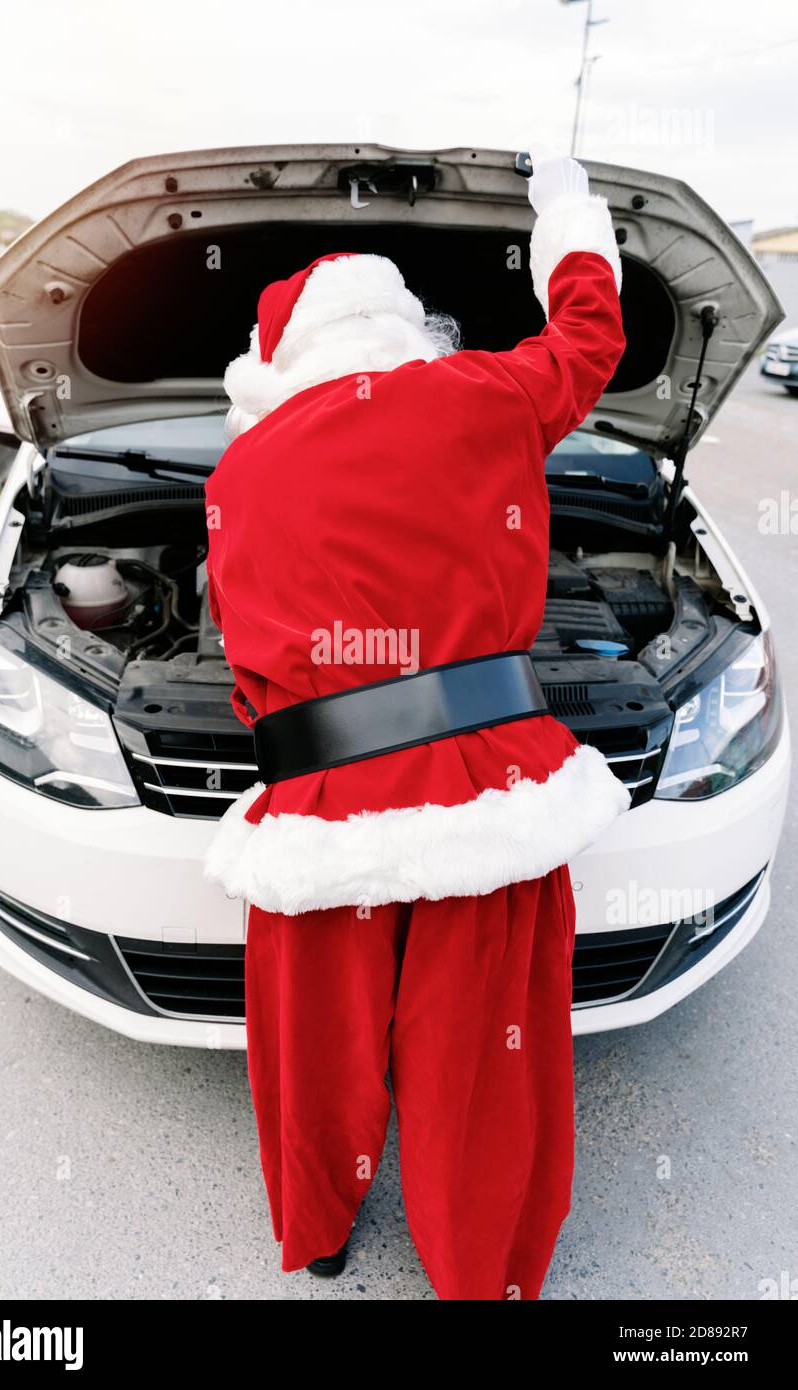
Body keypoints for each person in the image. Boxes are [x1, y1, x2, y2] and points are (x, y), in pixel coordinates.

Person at [203, 152, 631, 1300]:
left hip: (319, 812)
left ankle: (322, 1231)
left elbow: (244, 652)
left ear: (282, 360)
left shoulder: (238, 471)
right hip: (482, 789)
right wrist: (569, 228)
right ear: (406, 330)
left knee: (315, 1054)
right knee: (478, 1062)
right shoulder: (485, 395)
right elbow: (591, 342)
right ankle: (477, 1270)